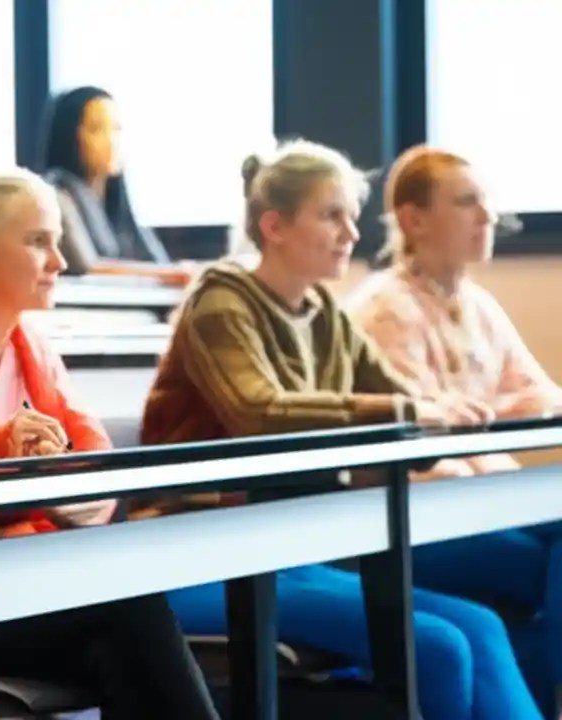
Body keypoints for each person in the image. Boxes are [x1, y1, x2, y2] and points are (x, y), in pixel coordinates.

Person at [141, 139, 542, 720]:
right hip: (210, 555)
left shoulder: (323, 313)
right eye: (331, 216)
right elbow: (259, 410)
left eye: (351, 217)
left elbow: (406, 401)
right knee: (441, 646)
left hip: (303, 545)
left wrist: (440, 412)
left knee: (476, 628)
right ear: (274, 226)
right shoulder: (220, 302)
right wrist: (409, 413)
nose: (351, 234)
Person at [0, 169, 220, 719]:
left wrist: (23, 508)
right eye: (38, 242)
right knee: (130, 618)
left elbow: (91, 467)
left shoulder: (34, 348)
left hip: (15, 583)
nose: (61, 261)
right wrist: (20, 476)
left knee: (124, 644)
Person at [350, 145, 562, 712]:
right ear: (413, 219)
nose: (487, 216)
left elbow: (545, 396)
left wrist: (485, 411)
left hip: (484, 499)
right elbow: (425, 437)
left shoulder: (479, 303)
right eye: (468, 202)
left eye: (486, 202)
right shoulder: (384, 308)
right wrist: (493, 410)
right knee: (549, 564)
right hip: (419, 516)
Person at [38, 86, 184, 283]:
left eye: (116, 129)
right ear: (69, 135)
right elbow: (86, 268)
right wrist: (173, 275)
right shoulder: (54, 195)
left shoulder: (115, 198)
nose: (111, 141)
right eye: (97, 129)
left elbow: (155, 260)